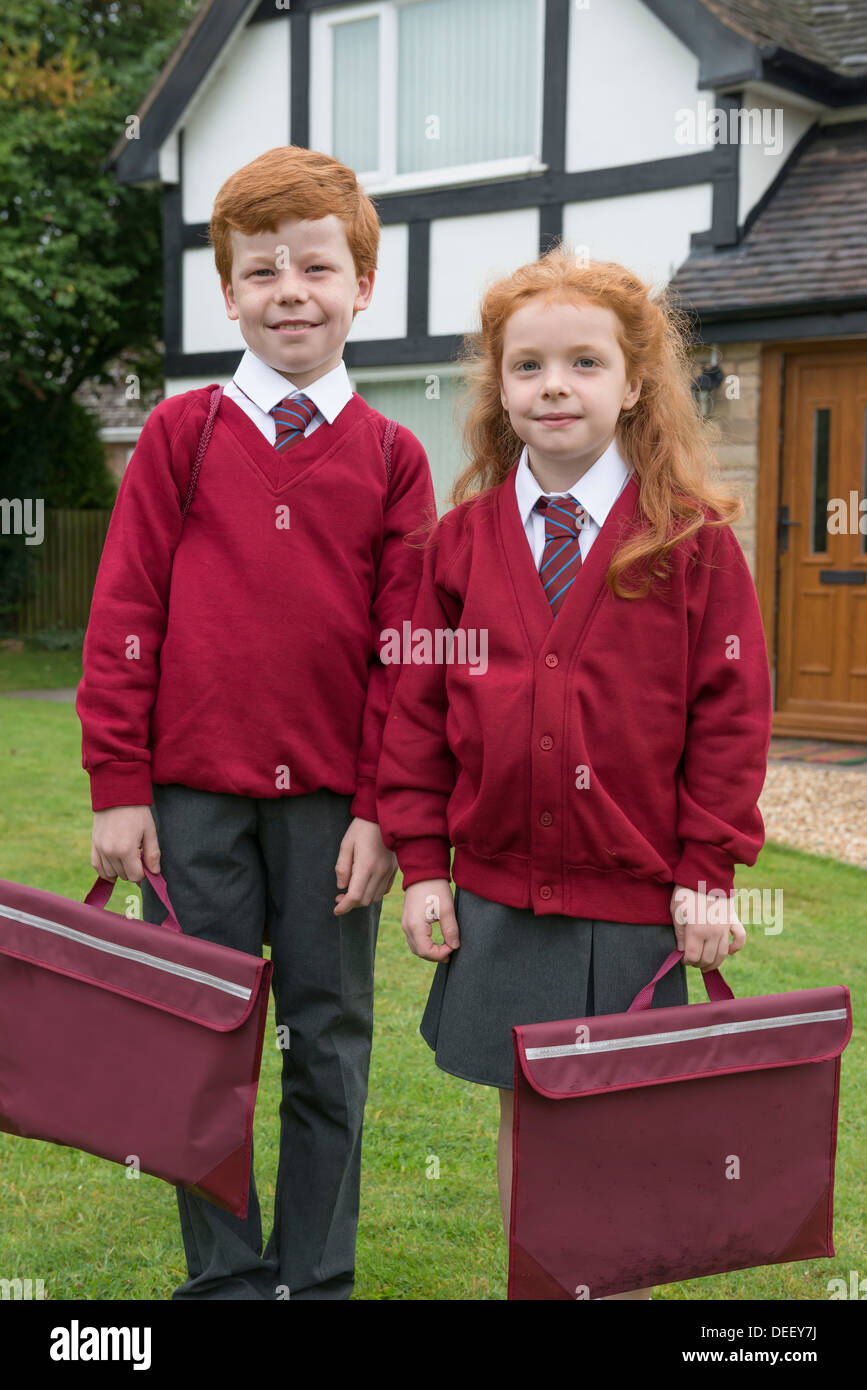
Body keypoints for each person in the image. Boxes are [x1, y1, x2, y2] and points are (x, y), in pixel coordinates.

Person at [375, 245, 773, 1301]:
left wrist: (708, 873)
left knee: (616, 1143)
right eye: (529, 366)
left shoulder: (691, 545)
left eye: (586, 363)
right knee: (529, 1132)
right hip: (501, 898)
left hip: (635, 904)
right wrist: (423, 867)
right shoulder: (454, 548)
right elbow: (415, 718)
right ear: (501, 389)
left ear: (634, 382)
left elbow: (729, 723)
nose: (555, 385)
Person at [75, 144, 436, 1300]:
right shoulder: (180, 439)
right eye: (263, 270)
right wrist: (119, 785)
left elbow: (409, 657)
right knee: (206, 1038)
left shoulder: (394, 459)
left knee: (327, 1044)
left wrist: (385, 812)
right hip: (190, 802)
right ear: (226, 290)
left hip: (334, 810)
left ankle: (315, 1278)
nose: (291, 290)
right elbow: (124, 613)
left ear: (362, 286)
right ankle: (228, 1281)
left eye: (316, 268)